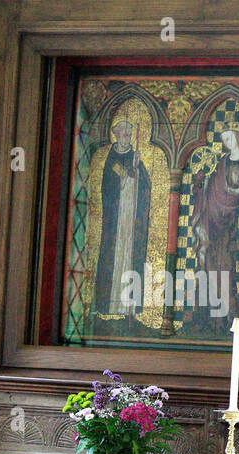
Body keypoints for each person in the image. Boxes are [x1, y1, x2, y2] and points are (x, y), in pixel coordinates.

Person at [191, 123, 239, 326]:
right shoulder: (222, 161)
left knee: (225, 264)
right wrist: (200, 180)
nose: (226, 142)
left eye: (229, 138)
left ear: (237, 138)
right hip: (212, 214)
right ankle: (209, 313)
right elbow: (211, 182)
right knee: (209, 260)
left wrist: (236, 187)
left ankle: (228, 313)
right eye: (224, 139)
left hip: (228, 217)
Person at [93, 119, 152, 324]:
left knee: (130, 254)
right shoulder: (111, 159)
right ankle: (107, 304)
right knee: (112, 254)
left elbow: (145, 187)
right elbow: (106, 187)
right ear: (117, 135)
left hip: (131, 217)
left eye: (129, 132)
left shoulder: (136, 157)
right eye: (123, 132)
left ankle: (129, 307)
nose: (126, 135)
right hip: (115, 218)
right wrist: (123, 178)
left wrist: (136, 174)